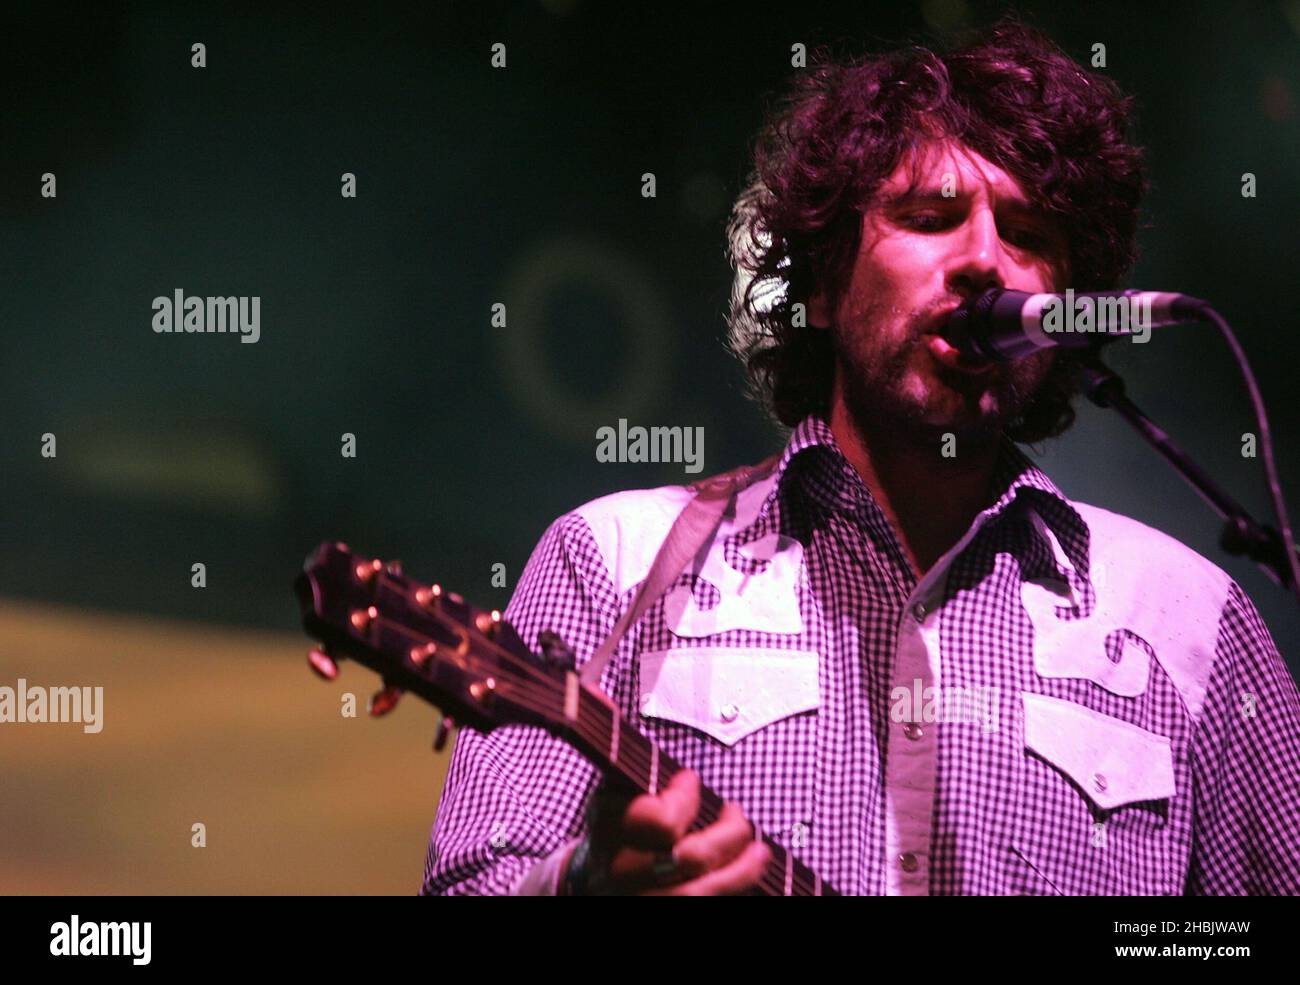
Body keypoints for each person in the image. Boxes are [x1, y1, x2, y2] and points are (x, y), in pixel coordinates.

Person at [420, 19, 1300, 895]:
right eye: (930, 217)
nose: (984, 262)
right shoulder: (614, 562)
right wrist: (586, 884)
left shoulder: (1191, 620)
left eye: (1027, 233)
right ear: (824, 288)